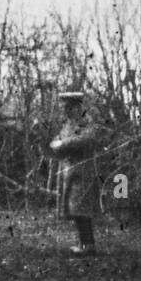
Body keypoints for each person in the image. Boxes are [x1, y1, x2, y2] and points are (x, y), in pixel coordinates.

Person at [49, 90, 101, 256]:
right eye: (65, 108)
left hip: (83, 171)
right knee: (75, 209)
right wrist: (56, 145)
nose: (66, 111)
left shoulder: (86, 123)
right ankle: (83, 244)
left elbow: (89, 139)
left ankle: (89, 245)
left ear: (77, 107)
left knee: (82, 209)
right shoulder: (68, 125)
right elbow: (58, 141)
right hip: (69, 171)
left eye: (69, 108)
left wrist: (65, 143)